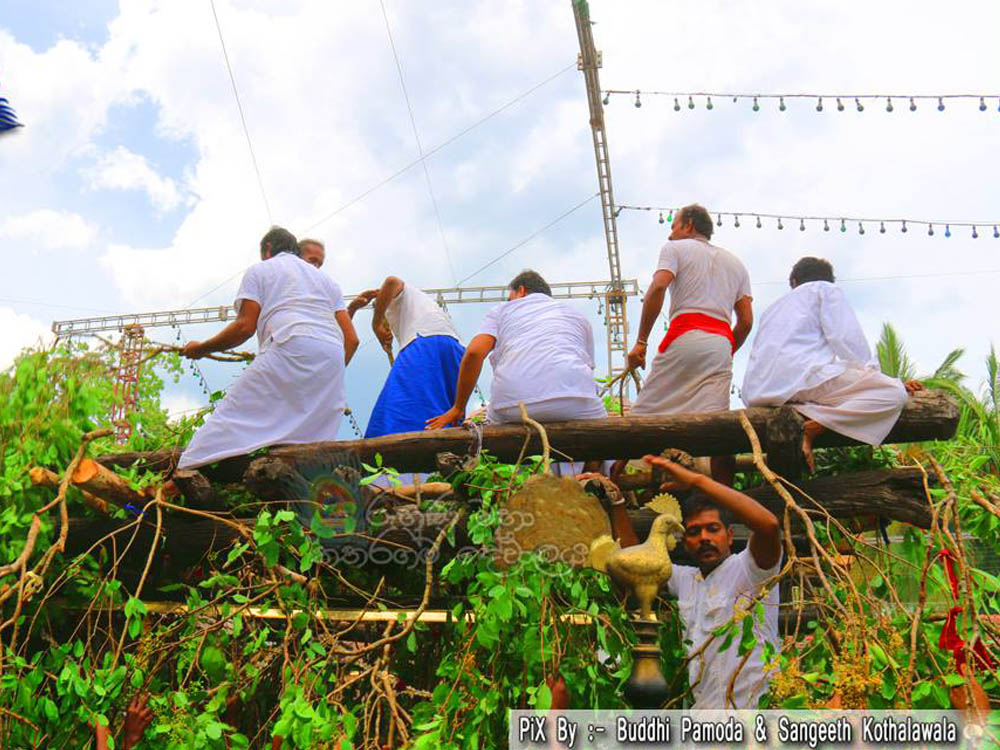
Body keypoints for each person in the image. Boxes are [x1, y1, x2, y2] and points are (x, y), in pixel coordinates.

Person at [176, 226, 359, 469]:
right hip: (332, 357)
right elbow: (352, 340)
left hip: (290, 343)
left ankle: (180, 476)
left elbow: (244, 327)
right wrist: (324, 372)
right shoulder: (328, 282)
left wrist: (200, 349)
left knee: (231, 417)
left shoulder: (261, 270)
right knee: (310, 441)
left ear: (268, 250)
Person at [741, 256, 920, 471]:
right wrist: (883, 380)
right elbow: (845, 339)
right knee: (893, 394)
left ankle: (811, 414)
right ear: (829, 279)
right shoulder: (825, 289)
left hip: (761, 392)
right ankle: (814, 428)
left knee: (836, 381)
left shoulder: (773, 308)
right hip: (803, 382)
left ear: (794, 283)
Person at [627, 204, 753, 485]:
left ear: (688, 225)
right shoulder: (736, 263)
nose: (670, 234)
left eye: (674, 226)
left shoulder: (674, 249)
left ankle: (610, 475)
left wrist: (641, 343)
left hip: (684, 336)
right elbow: (745, 322)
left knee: (642, 416)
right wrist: (723, 349)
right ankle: (725, 505)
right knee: (718, 429)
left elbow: (658, 287)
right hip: (721, 344)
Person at [644, 454, 782, 709]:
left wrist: (696, 481)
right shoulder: (686, 580)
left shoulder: (750, 570)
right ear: (685, 543)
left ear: (730, 536)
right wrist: (615, 501)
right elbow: (640, 565)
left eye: (713, 528)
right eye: (694, 532)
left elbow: (769, 526)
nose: (704, 537)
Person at [426, 269, 606, 427]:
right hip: (575, 399)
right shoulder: (577, 316)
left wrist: (458, 407)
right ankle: (595, 466)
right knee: (599, 426)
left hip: (512, 406)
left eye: (509, 297)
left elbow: (474, 353)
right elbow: (588, 366)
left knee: (493, 430)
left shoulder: (502, 310)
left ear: (521, 291)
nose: (509, 301)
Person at [346, 276, 465, 438]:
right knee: (440, 409)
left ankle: (384, 450)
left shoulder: (401, 296)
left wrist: (376, 322)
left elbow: (391, 282)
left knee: (399, 408)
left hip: (426, 342)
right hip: (455, 351)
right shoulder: (423, 308)